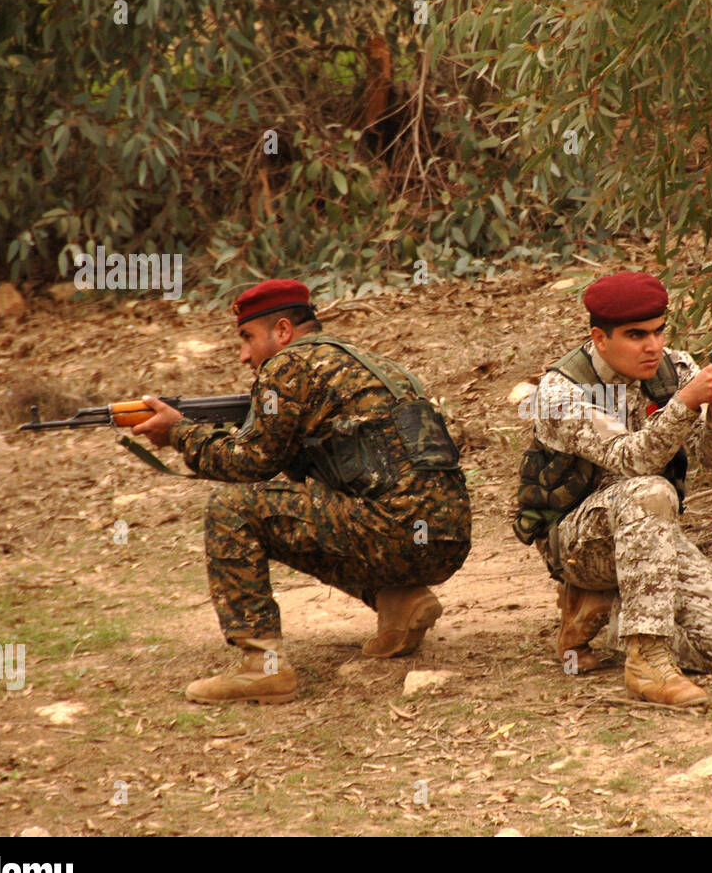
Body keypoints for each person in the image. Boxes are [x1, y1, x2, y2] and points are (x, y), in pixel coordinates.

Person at [132, 278, 471, 703]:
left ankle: (261, 667)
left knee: (232, 509)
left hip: (393, 529)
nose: (243, 355)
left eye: (247, 338)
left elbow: (248, 464)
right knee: (298, 512)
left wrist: (180, 433)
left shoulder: (288, 366)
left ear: (284, 332)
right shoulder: (366, 361)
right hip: (446, 536)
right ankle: (399, 601)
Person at [513, 271, 712, 707]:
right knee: (648, 491)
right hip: (578, 543)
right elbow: (632, 459)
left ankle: (607, 616)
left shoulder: (677, 369)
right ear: (599, 338)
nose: (653, 345)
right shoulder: (562, 389)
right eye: (636, 335)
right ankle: (647, 659)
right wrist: (684, 404)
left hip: (651, 538)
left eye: (660, 331)